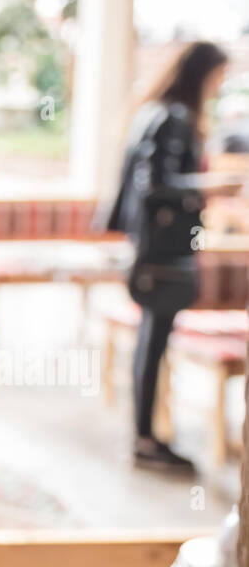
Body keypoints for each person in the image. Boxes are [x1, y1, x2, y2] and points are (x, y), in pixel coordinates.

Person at [107, 41, 237, 471]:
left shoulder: (158, 112)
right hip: (162, 251)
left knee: (154, 339)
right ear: (200, 75)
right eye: (217, 77)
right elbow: (157, 185)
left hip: (155, 248)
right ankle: (146, 438)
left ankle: (147, 435)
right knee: (153, 339)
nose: (219, 87)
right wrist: (209, 187)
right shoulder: (173, 118)